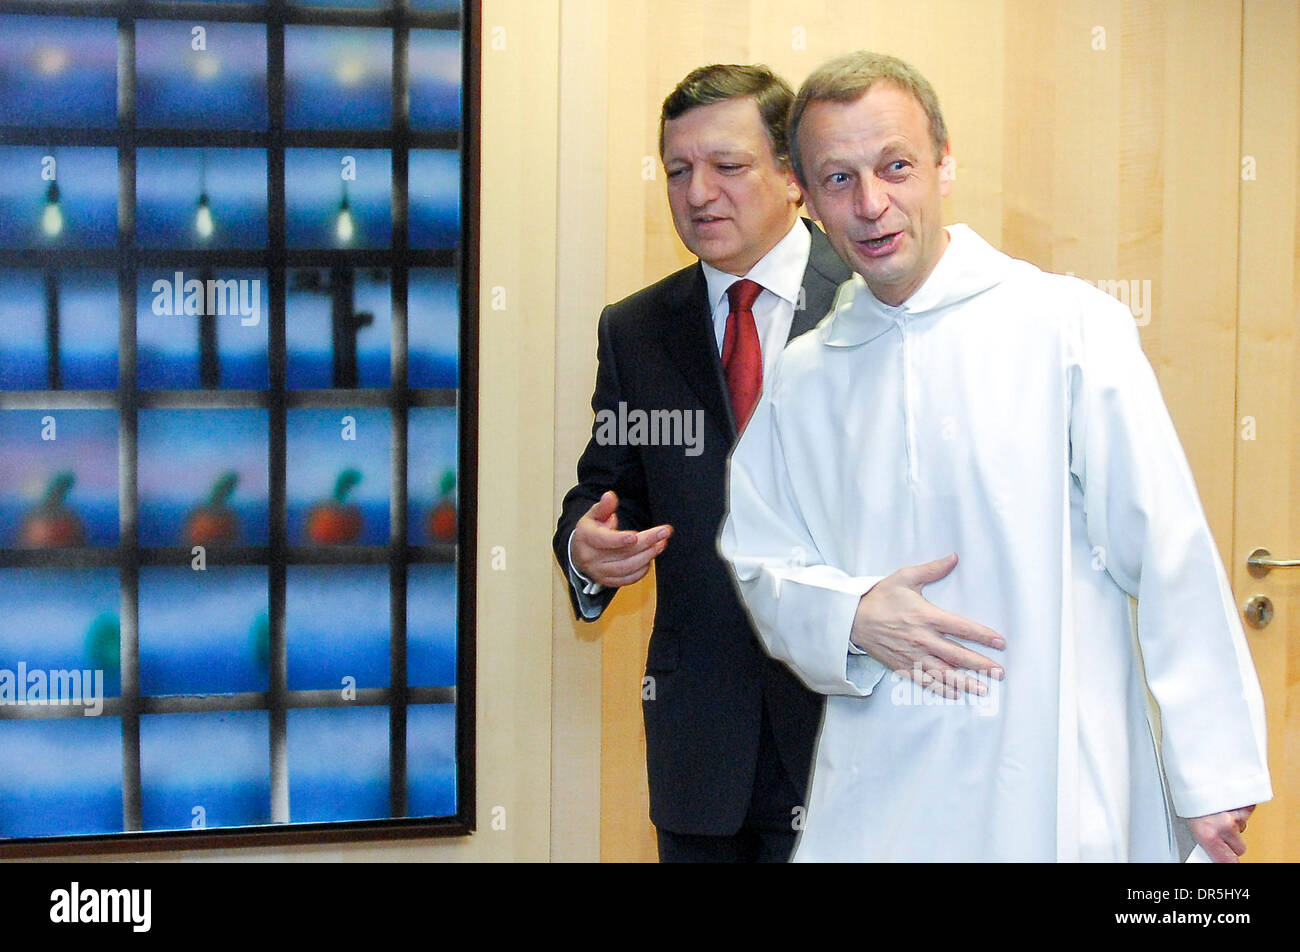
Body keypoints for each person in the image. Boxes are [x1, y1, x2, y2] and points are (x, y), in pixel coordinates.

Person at [719, 51, 1272, 862]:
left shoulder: (1066, 328)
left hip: (1046, 774)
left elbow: (1166, 549)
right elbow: (761, 558)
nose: (871, 205)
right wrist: (851, 615)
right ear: (805, 194)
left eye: (896, 166)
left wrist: (1212, 767)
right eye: (838, 179)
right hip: (882, 783)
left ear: (944, 162)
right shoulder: (804, 378)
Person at [556, 64, 998, 862]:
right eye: (678, 171)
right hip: (703, 747)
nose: (699, 193)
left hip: (862, 720)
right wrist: (586, 550)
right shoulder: (637, 328)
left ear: (795, 177)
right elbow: (607, 488)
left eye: (727, 166)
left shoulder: (879, 297)